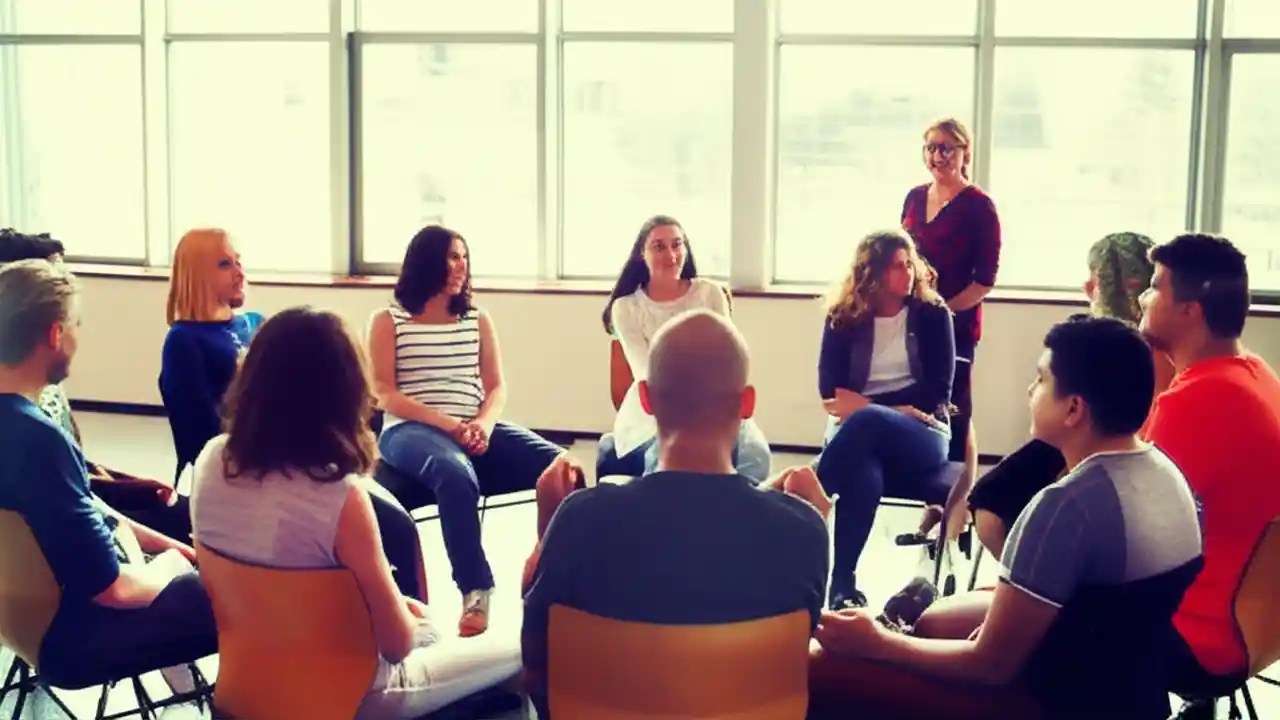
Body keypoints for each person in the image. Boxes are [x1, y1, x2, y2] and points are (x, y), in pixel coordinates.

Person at [812, 315, 1203, 720]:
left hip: (1055, 703)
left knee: (820, 669)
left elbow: (989, 667)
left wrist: (876, 642)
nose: (1030, 390)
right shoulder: (1168, 475)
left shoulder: (1066, 506)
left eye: (1041, 379)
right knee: (934, 624)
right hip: (1132, 694)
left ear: (1073, 408)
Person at [190, 307, 520, 719]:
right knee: (517, 650)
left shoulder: (211, 462)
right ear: (345, 391)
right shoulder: (338, 496)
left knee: (428, 627)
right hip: (353, 696)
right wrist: (407, 618)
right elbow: (396, 645)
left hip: (249, 688)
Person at [522, 310, 830, 719]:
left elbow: (537, 666)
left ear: (645, 399)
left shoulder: (579, 520)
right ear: (747, 404)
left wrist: (547, 529)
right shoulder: (803, 530)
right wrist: (816, 521)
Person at [0, 260, 216, 689]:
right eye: (76, 326)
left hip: (19, 621)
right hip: (76, 641)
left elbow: (88, 508)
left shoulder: (24, 431)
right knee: (254, 594)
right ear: (55, 334)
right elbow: (112, 590)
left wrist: (173, 549)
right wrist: (175, 567)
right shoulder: (38, 440)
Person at [369, 224, 574, 637]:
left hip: (473, 426)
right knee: (454, 471)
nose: (460, 266)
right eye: (451, 257)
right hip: (409, 431)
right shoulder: (388, 320)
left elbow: (496, 387)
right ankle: (476, 588)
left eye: (464, 257)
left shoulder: (477, 319)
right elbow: (383, 392)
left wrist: (481, 425)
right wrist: (450, 426)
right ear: (426, 261)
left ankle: (552, 573)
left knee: (563, 467)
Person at [1135, 235, 1280, 718]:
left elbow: (1120, 524)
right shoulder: (1255, 374)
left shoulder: (1199, 399)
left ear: (1189, 310)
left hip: (1198, 637)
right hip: (1255, 628)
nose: (1142, 298)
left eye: (1155, 286)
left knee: (1031, 621)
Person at [965, 231, 1175, 557]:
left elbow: (1147, 419)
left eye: (1095, 278)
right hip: (1077, 434)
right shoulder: (1091, 335)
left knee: (993, 508)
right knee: (989, 498)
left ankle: (1031, 577)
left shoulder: (1151, 349)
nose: (1087, 287)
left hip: (1102, 439)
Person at [0, 229, 191, 543]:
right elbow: (79, 512)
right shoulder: (34, 428)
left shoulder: (36, 394)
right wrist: (173, 554)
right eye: (52, 273)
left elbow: (76, 469)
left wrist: (128, 484)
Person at [815, 229, 956, 610]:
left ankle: (813, 492)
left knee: (866, 422)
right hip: (862, 434)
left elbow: (937, 393)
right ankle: (841, 585)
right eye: (896, 266)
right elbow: (830, 392)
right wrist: (890, 410)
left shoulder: (933, 314)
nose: (908, 273)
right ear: (872, 273)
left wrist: (867, 407)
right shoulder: (844, 318)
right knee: (864, 473)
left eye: (910, 264)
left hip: (922, 432)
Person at [598, 214, 771, 482]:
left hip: (715, 400)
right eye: (659, 246)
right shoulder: (626, 308)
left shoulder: (710, 293)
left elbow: (727, 360)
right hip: (658, 406)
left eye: (677, 244)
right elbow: (646, 372)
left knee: (755, 455)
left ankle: (733, 507)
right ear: (642, 254)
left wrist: (710, 403)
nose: (671, 254)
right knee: (664, 460)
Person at [900, 117, 1001, 536]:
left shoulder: (979, 206)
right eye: (930, 147)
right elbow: (901, 258)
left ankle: (957, 507)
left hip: (956, 324)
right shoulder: (913, 197)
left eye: (947, 148)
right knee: (923, 407)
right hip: (912, 321)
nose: (938, 156)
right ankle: (933, 502)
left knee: (956, 411)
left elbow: (985, 279)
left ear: (965, 153)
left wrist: (943, 311)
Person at [159, 228, 263, 482]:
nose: (240, 274)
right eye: (225, 264)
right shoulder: (184, 341)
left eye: (238, 262)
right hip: (224, 477)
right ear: (197, 275)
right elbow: (199, 435)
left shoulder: (256, 323)